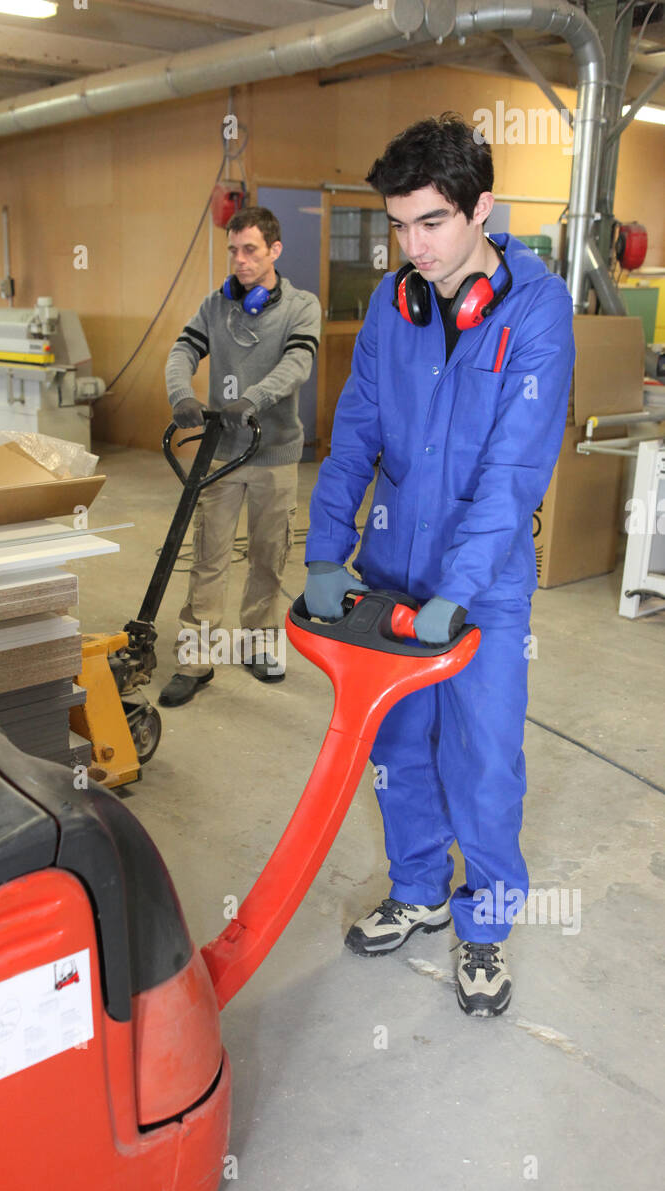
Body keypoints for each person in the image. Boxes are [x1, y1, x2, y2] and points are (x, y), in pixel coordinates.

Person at [303, 114, 575, 1017]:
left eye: (432, 222)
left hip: (482, 589)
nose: (412, 247)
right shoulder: (395, 304)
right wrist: (325, 551)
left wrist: (457, 591)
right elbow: (354, 435)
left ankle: (485, 926)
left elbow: (514, 472)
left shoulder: (538, 311)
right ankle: (418, 890)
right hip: (390, 572)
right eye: (398, 225)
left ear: (481, 209)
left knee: (483, 758)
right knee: (395, 748)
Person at [161, 206, 321, 706]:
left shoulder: (301, 307)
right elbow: (182, 351)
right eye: (233, 250)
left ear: (275, 250)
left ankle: (257, 645)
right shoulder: (216, 306)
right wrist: (180, 394)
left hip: (274, 452)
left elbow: (298, 363)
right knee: (208, 557)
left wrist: (252, 400)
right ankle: (196, 658)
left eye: (250, 249)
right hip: (221, 454)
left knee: (268, 559)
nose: (240, 260)